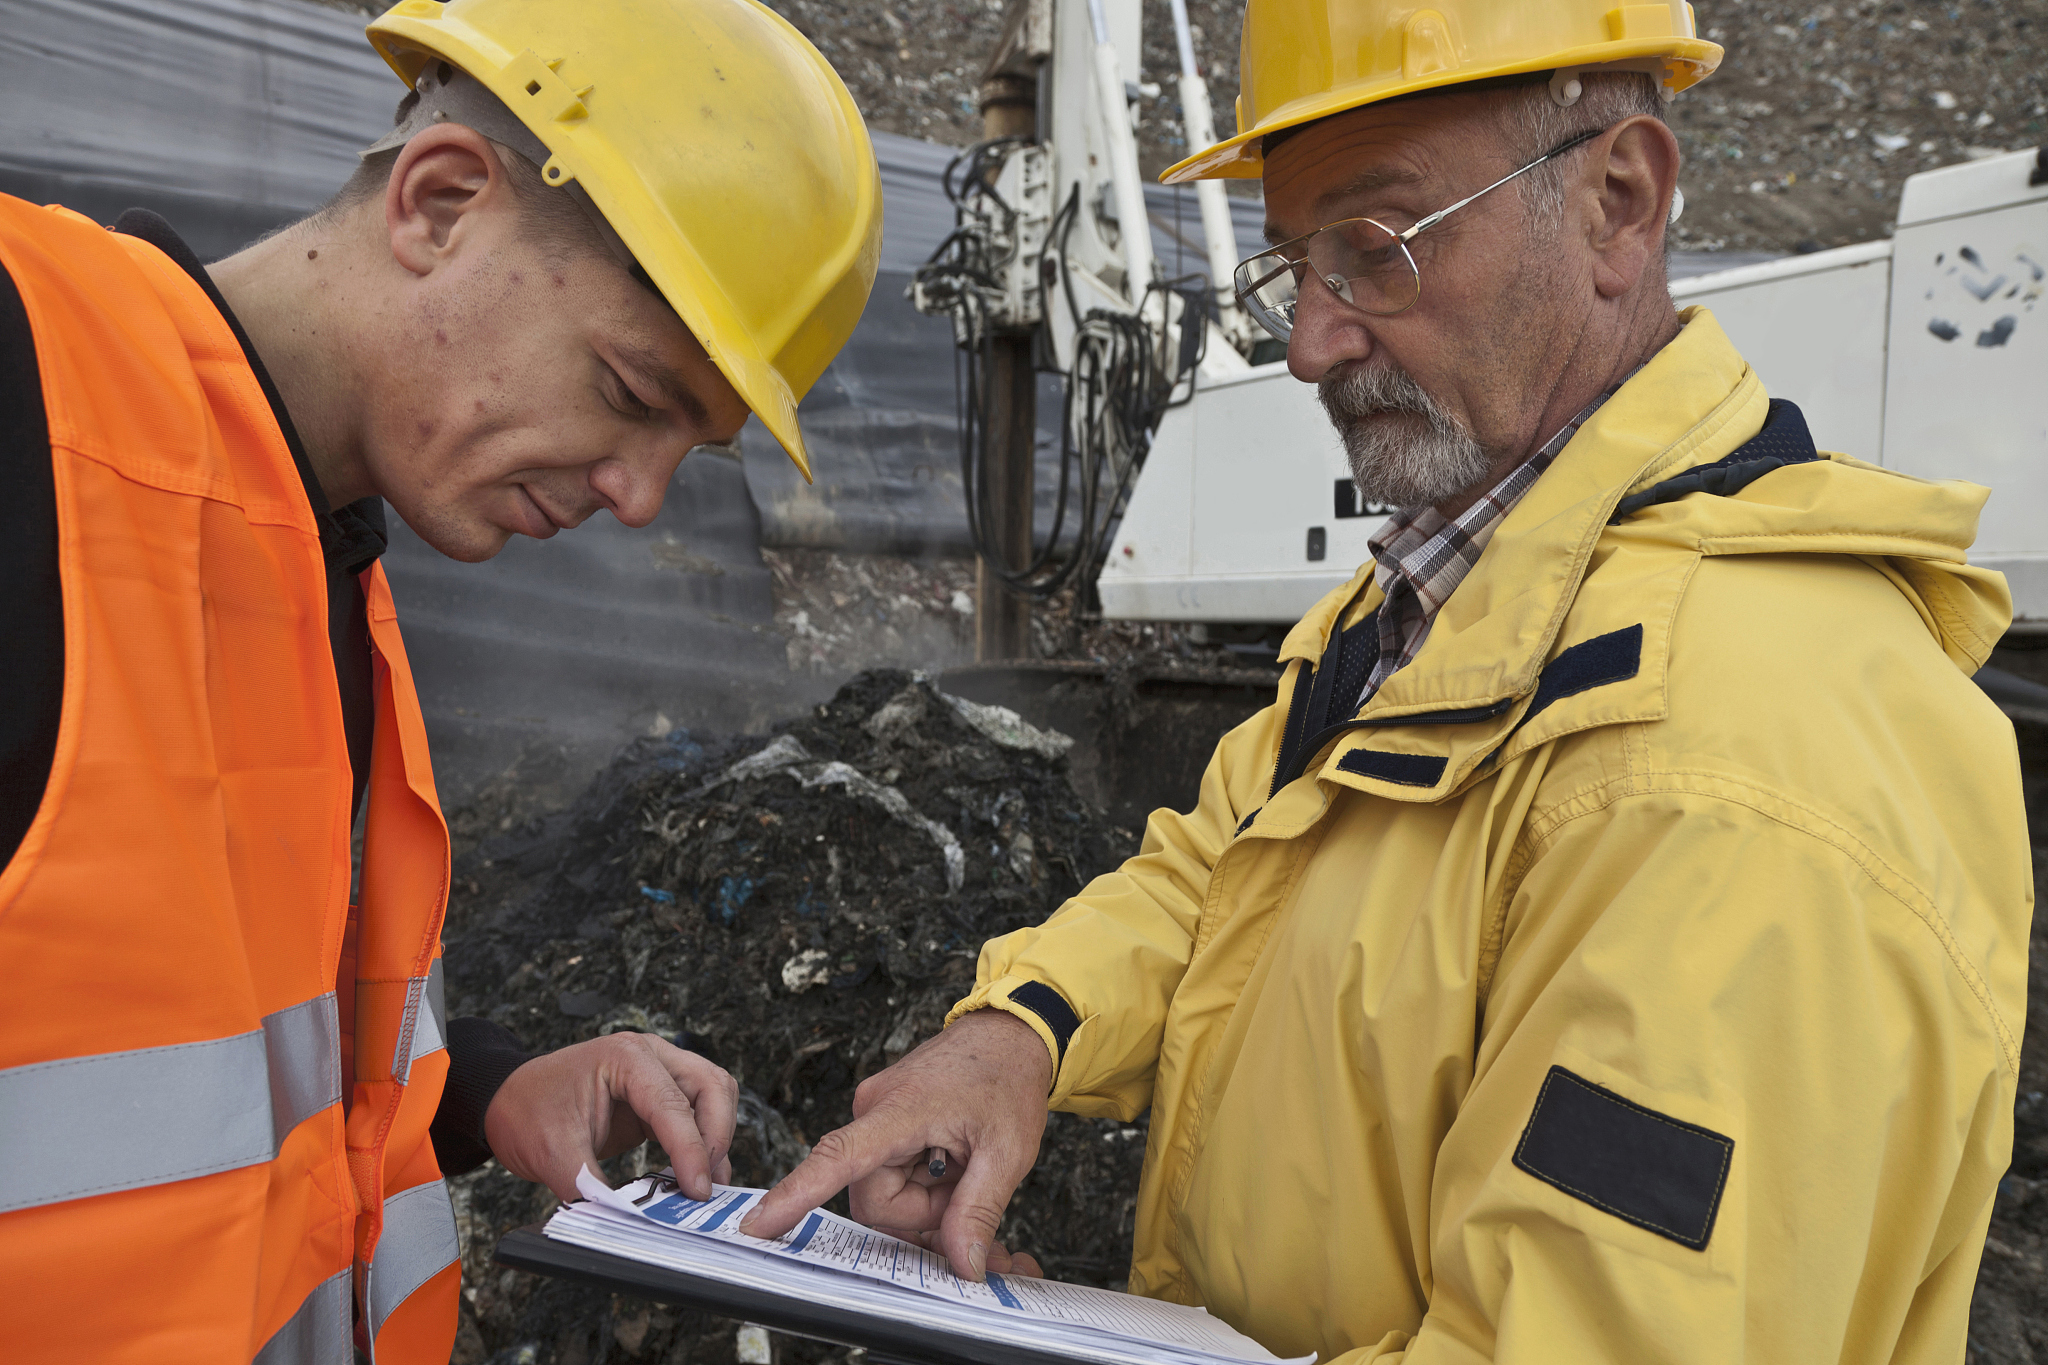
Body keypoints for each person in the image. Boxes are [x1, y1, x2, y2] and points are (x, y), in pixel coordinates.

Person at [741, 1, 2033, 1359]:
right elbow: (1226, 874)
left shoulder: (1728, 771)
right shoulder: (1449, 595)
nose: (1309, 343)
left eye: (1377, 249)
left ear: (1618, 202)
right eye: (1294, 265)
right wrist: (1022, 1030)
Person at [0, 0, 879, 1359]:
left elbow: (168, 1053)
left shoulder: (314, 560)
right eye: (630, 391)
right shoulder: (33, 400)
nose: (641, 497)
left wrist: (482, 1090)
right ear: (441, 202)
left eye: (690, 450)